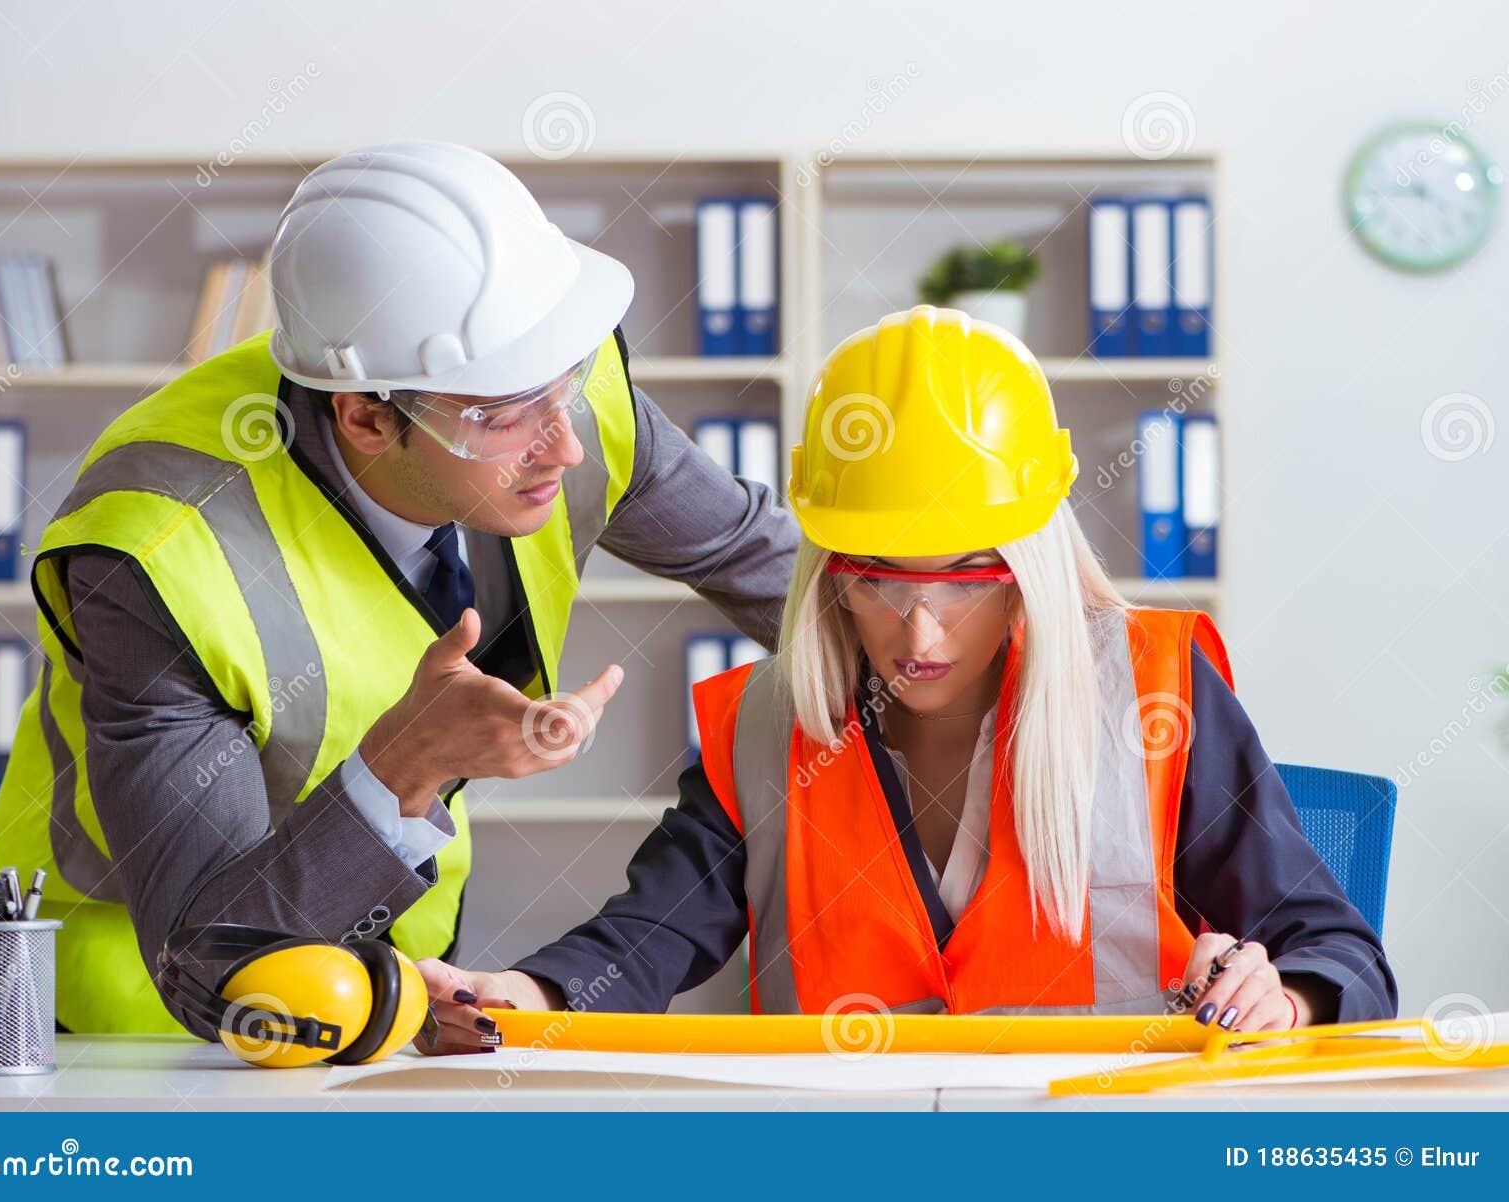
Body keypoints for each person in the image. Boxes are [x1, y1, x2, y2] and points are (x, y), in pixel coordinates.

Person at [417, 306, 1398, 1049]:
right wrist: (529, 994)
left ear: (1027, 575)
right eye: (877, 582)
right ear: (828, 571)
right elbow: (650, 933)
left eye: (963, 584)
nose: (917, 630)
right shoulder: (767, 724)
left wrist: (1286, 991)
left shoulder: (1157, 690)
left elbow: (1340, 953)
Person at [0, 142, 796, 1035]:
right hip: (143, 1028)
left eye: (561, 389)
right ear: (367, 416)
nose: (564, 447)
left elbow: (791, 581)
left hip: (399, 975)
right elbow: (206, 960)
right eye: (503, 417)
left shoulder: (548, 382)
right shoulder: (160, 556)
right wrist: (407, 761)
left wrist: (959, 620)